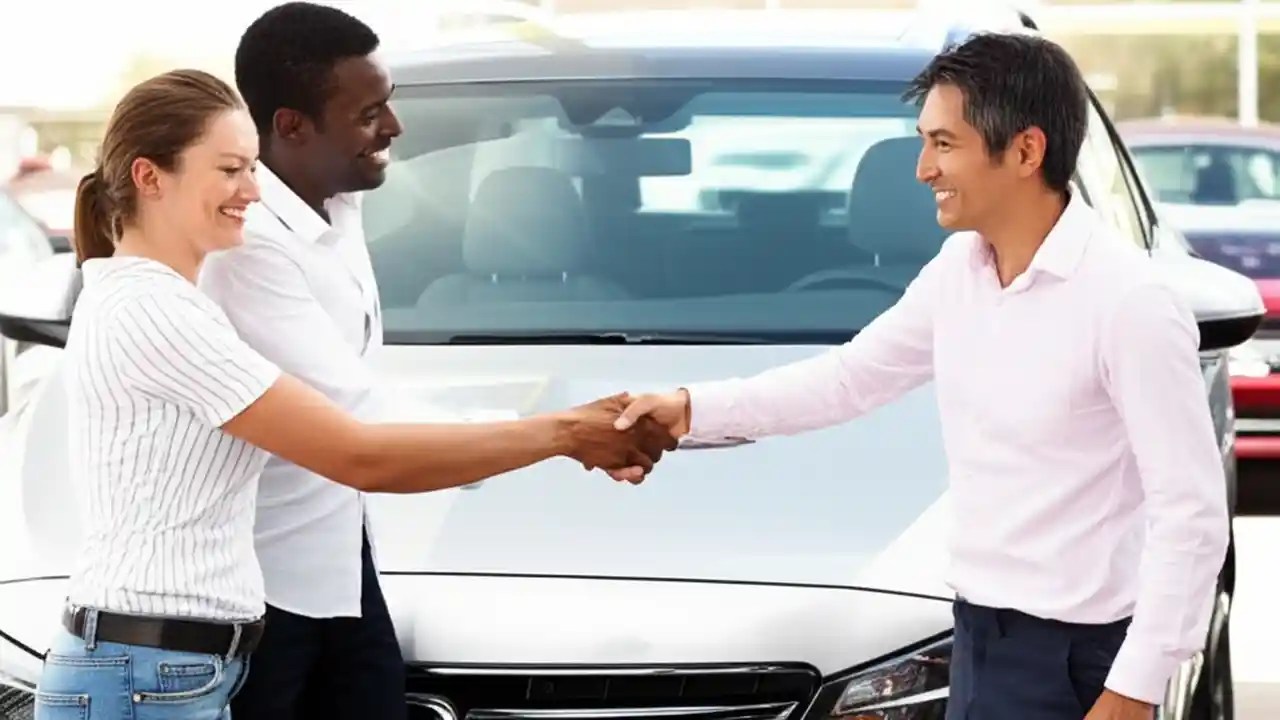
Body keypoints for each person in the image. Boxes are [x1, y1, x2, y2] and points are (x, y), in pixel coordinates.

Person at [612, 32, 1229, 720]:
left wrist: (1131, 693)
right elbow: (849, 379)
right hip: (975, 641)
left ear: (1025, 151)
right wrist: (690, 408)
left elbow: (1192, 517)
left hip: (1077, 667)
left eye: (943, 144)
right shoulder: (959, 273)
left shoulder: (1129, 303)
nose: (921, 170)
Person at [34, 69, 674, 720]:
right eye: (229, 170)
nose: (253, 192)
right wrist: (564, 434)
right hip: (142, 681)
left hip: (164, 672)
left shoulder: (160, 300)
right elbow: (358, 454)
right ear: (149, 178)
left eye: (254, 168)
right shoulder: (158, 314)